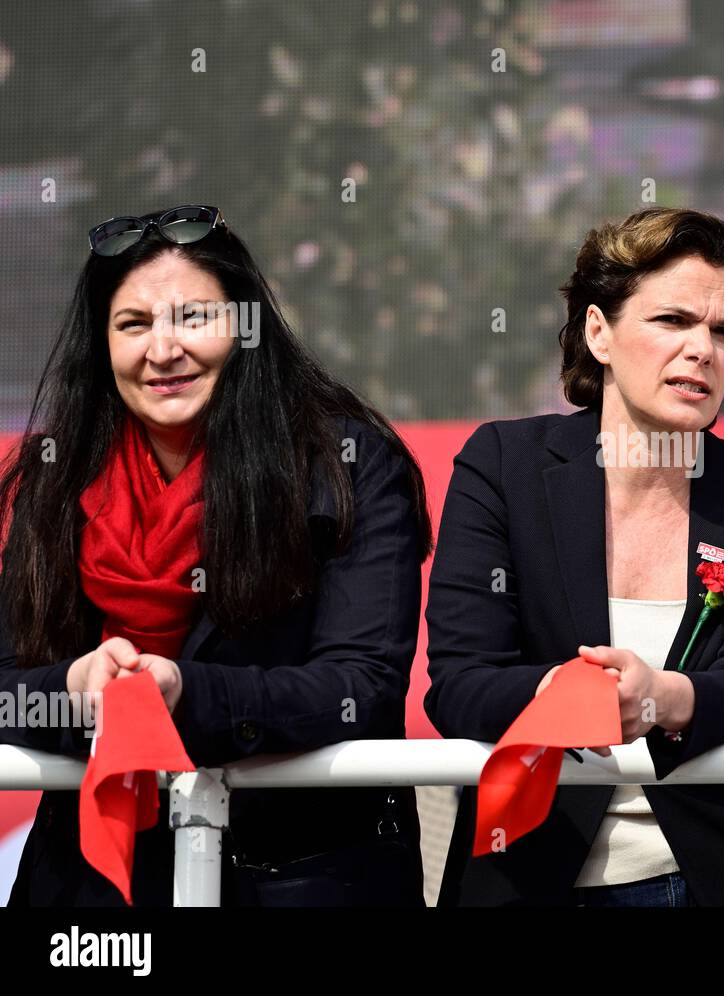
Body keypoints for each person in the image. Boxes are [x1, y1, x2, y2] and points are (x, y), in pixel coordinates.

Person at [0, 205, 432, 906]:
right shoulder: (55, 477)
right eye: (133, 324)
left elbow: (361, 689)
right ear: (101, 345)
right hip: (93, 880)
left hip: (303, 876)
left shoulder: (347, 464)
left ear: (245, 330)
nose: (162, 350)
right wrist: (75, 684)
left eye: (193, 319)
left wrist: (184, 694)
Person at [425, 207, 724, 906]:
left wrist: (664, 699)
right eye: (673, 321)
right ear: (599, 332)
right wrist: (560, 697)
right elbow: (460, 684)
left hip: (720, 882)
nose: (704, 349)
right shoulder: (504, 464)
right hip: (528, 879)